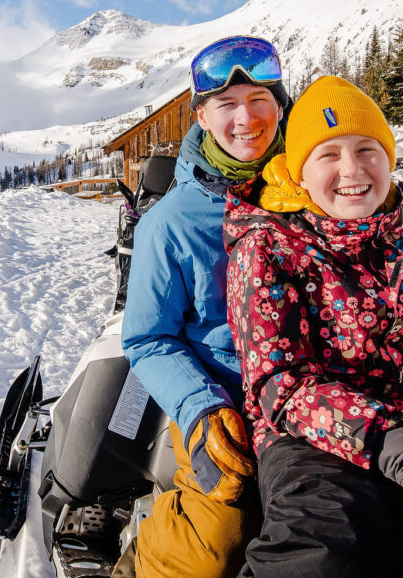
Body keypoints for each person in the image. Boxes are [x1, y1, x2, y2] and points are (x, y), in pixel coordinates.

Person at [118, 35, 289, 578]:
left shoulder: (311, 188)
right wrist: (200, 408)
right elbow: (148, 339)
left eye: (259, 99)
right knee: (214, 542)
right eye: (226, 105)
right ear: (202, 115)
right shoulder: (169, 224)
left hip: (304, 394)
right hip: (222, 394)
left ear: (280, 106)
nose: (246, 118)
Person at [224, 75, 403, 577]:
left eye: (367, 149)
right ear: (300, 173)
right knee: (331, 548)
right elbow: (277, 385)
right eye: (328, 155)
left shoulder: (398, 231)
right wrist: (382, 436)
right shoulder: (270, 244)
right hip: (308, 436)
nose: (352, 170)